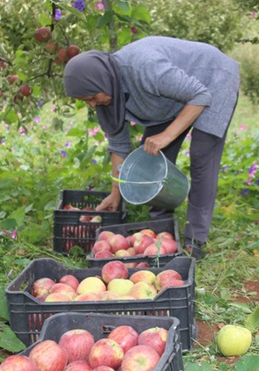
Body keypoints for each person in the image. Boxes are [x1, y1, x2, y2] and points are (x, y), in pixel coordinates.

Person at [63, 36, 240, 260]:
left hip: (214, 80)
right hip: (168, 100)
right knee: (149, 161)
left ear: (101, 82)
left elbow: (200, 94)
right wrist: (116, 193)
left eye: (91, 98)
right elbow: (119, 145)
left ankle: (195, 240)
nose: (91, 104)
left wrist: (167, 135)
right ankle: (160, 230)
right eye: (84, 100)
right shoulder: (106, 92)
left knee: (201, 157)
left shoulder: (144, 68)